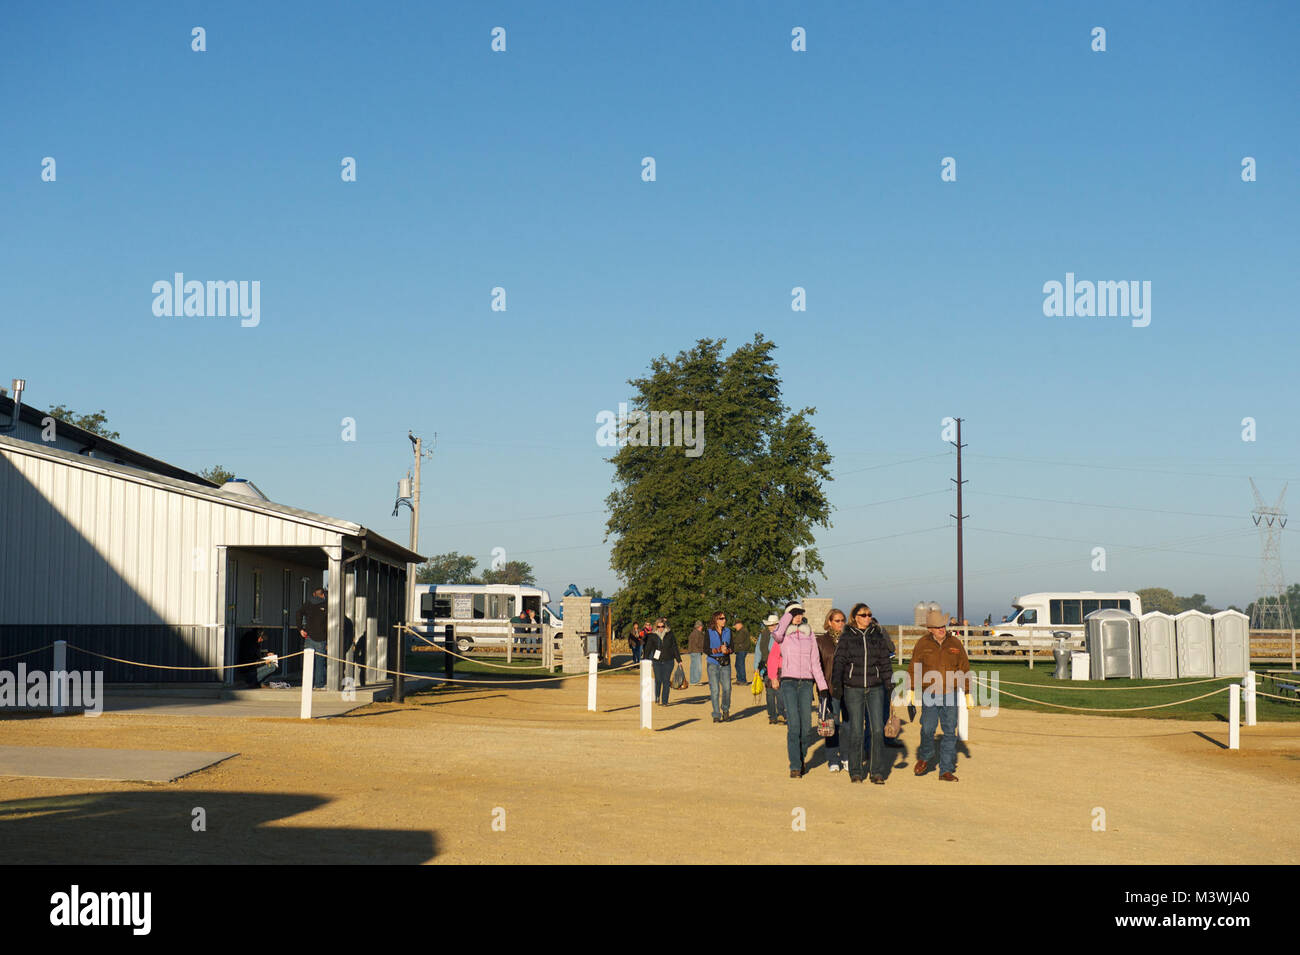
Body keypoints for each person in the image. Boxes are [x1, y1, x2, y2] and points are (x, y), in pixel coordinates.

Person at [833, 603, 897, 784]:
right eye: (864, 615)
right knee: (856, 731)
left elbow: (885, 661)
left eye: (869, 615)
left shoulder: (876, 635)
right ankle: (855, 770)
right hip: (853, 688)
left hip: (875, 687)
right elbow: (839, 662)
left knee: (877, 729)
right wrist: (837, 684)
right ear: (855, 617)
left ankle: (876, 771)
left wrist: (889, 682)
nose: (868, 618)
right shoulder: (847, 637)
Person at [911, 606, 972, 782]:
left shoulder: (955, 644)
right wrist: (910, 689)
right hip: (929, 692)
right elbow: (914, 667)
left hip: (950, 693)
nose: (942, 630)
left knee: (949, 731)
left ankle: (945, 769)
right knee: (928, 728)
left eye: (943, 626)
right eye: (938, 627)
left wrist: (967, 692)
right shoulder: (922, 643)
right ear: (930, 629)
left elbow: (964, 668)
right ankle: (926, 755)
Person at [773, 601, 827, 777]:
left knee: (806, 727)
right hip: (788, 682)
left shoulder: (809, 633)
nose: (798, 615)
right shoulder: (783, 635)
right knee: (794, 726)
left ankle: (801, 757)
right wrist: (789, 615)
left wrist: (822, 686)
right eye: (794, 612)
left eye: (800, 612)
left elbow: (815, 662)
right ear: (787, 615)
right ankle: (795, 765)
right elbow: (777, 633)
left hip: (806, 683)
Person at [816, 609, 847, 773]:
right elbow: (817, 666)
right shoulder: (821, 641)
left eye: (843, 620)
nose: (841, 623)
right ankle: (833, 759)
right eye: (837, 620)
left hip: (849, 688)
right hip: (829, 689)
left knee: (850, 726)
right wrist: (821, 689)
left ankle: (847, 756)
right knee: (832, 725)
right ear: (829, 622)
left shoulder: (849, 640)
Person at [705, 611, 733, 722]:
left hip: (725, 663)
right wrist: (717, 650)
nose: (724, 620)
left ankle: (725, 709)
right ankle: (716, 714)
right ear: (716, 620)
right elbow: (705, 649)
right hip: (713, 663)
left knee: (727, 689)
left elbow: (733, 648)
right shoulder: (709, 632)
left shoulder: (728, 631)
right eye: (721, 618)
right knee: (715, 690)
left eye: (724, 618)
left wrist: (727, 650)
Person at [644, 618, 680, 705]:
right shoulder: (652, 635)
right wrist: (645, 658)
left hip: (669, 660)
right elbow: (648, 647)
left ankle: (665, 701)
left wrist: (679, 660)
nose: (661, 628)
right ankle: (657, 696)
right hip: (657, 661)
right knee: (658, 680)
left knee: (666, 680)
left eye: (662, 626)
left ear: (665, 626)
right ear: (656, 627)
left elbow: (674, 647)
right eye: (659, 626)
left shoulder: (670, 634)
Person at [757, 614, 786, 724]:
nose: (771, 627)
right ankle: (772, 715)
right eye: (769, 625)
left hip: (780, 667)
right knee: (769, 693)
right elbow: (758, 651)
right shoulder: (763, 635)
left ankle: (781, 714)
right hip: (766, 667)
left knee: (779, 691)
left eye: (773, 624)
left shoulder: (782, 636)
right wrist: (756, 666)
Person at [297, 586, 328, 689]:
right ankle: (319, 684)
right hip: (321, 637)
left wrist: (300, 629)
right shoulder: (326, 604)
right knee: (320, 662)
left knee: (308, 662)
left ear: (314, 594)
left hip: (308, 636)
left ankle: (307, 684)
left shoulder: (308, 603)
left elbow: (298, 613)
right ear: (323, 594)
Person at [731, 619, 753, 685]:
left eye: (735, 626)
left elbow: (738, 640)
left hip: (742, 650)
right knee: (737, 665)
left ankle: (743, 680)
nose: (735, 627)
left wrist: (731, 639)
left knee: (740, 665)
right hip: (740, 650)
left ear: (739, 624)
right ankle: (739, 679)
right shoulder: (741, 630)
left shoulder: (743, 631)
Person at [688, 621, 706, 685]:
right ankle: (696, 681)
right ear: (699, 626)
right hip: (696, 651)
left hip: (693, 651)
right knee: (697, 667)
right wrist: (702, 649)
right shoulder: (697, 633)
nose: (702, 627)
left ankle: (693, 681)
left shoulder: (693, 633)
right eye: (701, 626)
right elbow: (697, 643)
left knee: (693, 666)